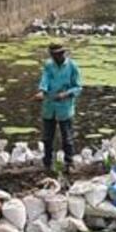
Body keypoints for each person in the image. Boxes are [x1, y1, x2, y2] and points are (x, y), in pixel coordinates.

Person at [32, 43, 81, 172]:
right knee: (47, 138)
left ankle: (69, 162)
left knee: (67, 137)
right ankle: (47, 163)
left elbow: (78, 87)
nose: (56, 57)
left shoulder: (72, 67)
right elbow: (45, 80)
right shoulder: (49, 65)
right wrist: (42, 91)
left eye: (58, 55)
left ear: (63, 53)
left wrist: (66, 94)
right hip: (49, 106)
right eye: (53, 55)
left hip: (65, 108)